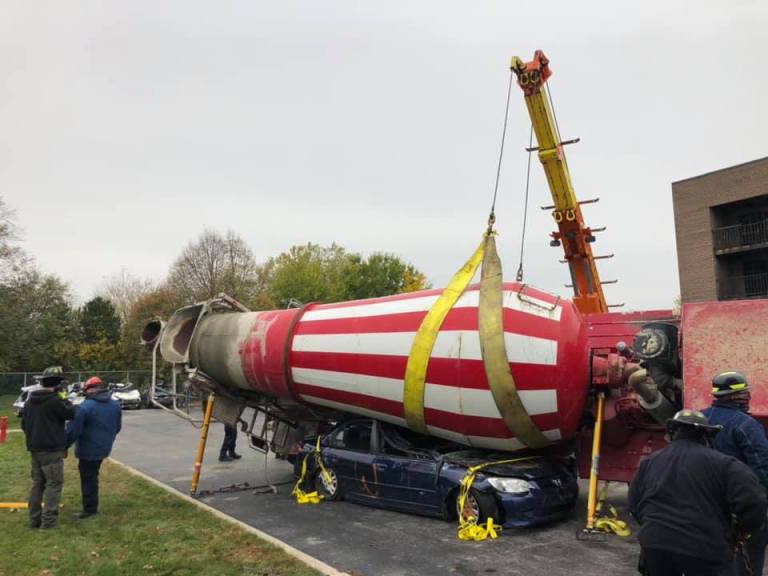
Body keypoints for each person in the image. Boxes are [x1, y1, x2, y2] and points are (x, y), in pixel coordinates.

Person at [629, 409, 767, 576]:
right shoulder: (725, 464)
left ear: (673, 433)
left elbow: (634, 503)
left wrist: (656, 526)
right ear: (706, 435)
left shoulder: (650, 462)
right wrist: (742, 531)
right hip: (705, 549)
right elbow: (754, 501)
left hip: (654, 545)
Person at [703, 371, 768, 576]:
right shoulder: (746, 425)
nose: (748, 398)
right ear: (734, 396)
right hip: (739, 504)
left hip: (704, 504)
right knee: (749, 556)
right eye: (745, 394)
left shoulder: (699, 419)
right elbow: (762, 467)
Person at [21, 366, 75, 529]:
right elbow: (71, 413)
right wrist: (64, 395)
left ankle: (34, 519)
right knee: (53, 484)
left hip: (35, 449)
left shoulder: (30, 401)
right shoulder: (55, 400)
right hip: (51, 450)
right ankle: (49, 522)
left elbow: (24, 425)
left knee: (38, 483)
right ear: (58, 384)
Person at [66, 376, 122, 519]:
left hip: (87, 449)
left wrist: (63, 446)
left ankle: (89, 509)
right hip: (104, 447)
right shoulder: (115, 405)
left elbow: (73, 431)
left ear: (89, 389)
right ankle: (91, 505)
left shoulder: (85, 407)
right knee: (92, 475)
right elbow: (117, 427)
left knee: (88, 478)